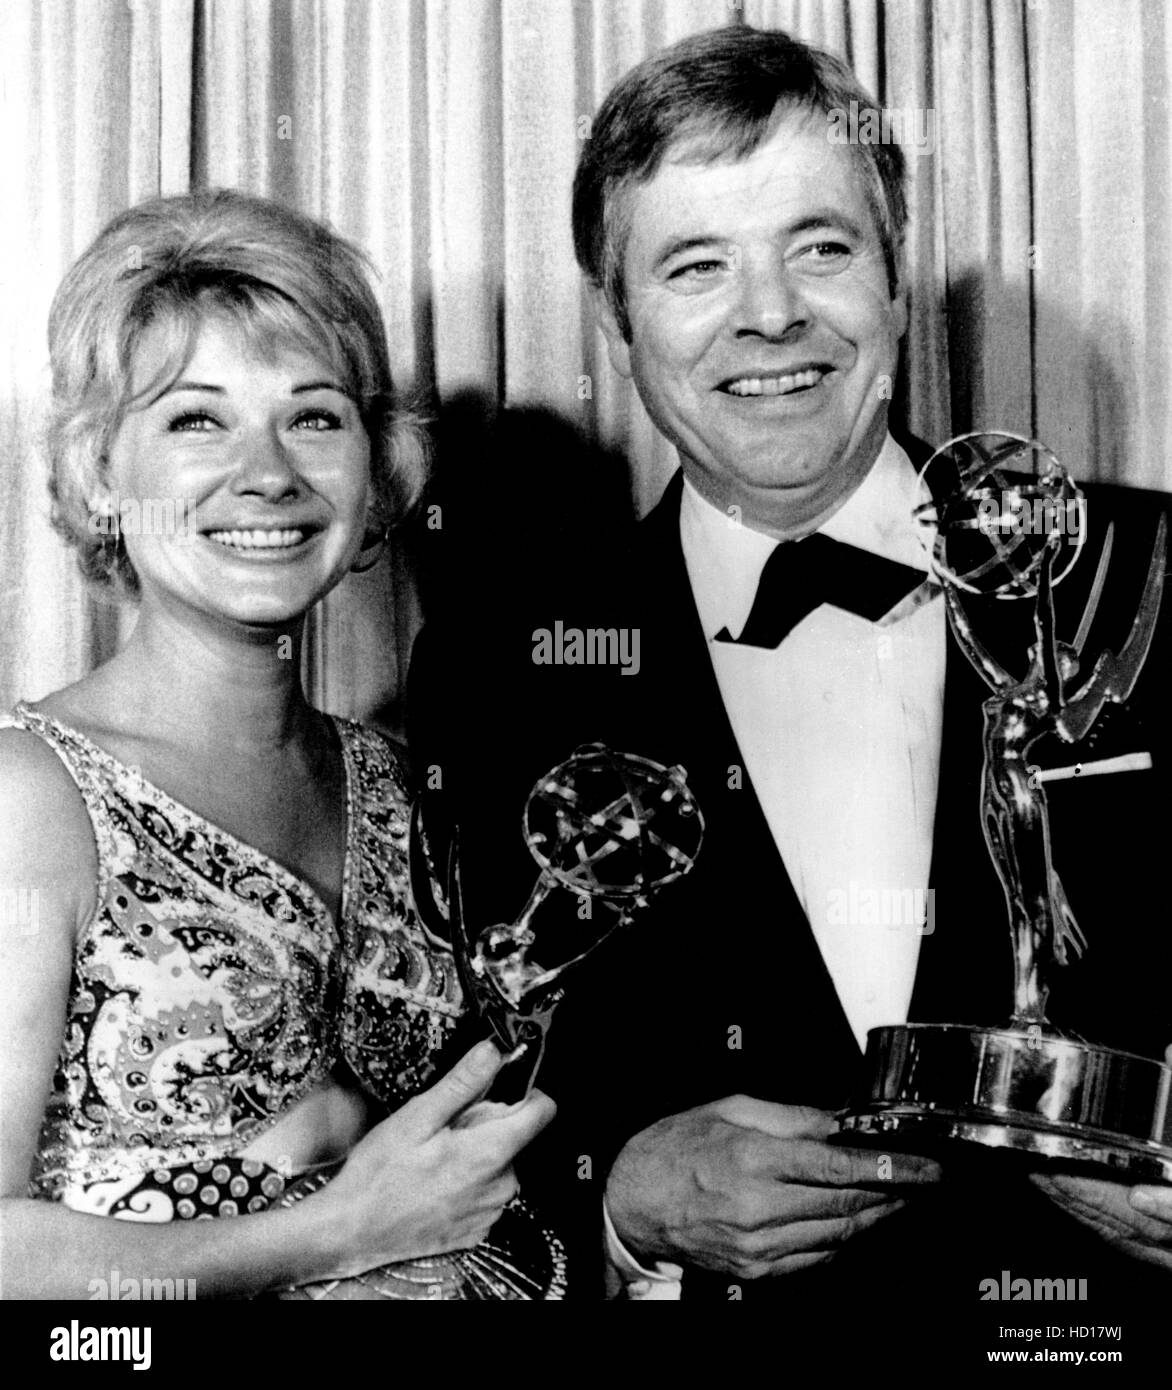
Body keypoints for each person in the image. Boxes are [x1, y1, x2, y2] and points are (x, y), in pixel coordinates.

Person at [409, 26, 1172, 1320]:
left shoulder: (1145, 568)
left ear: (893, 277)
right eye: (695, 265)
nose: (770, 312)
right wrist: (621, 1199)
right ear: (616, 320)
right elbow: (458, 1098)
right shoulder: (500, 669)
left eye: (821, 247)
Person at [0, 189, 557, 1300]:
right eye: (195, 419)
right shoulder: (26, 796)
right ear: (103, 474)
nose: (269, 474)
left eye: (313, 416)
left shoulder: (403, 779)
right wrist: (325, 1237)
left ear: (373, 469)